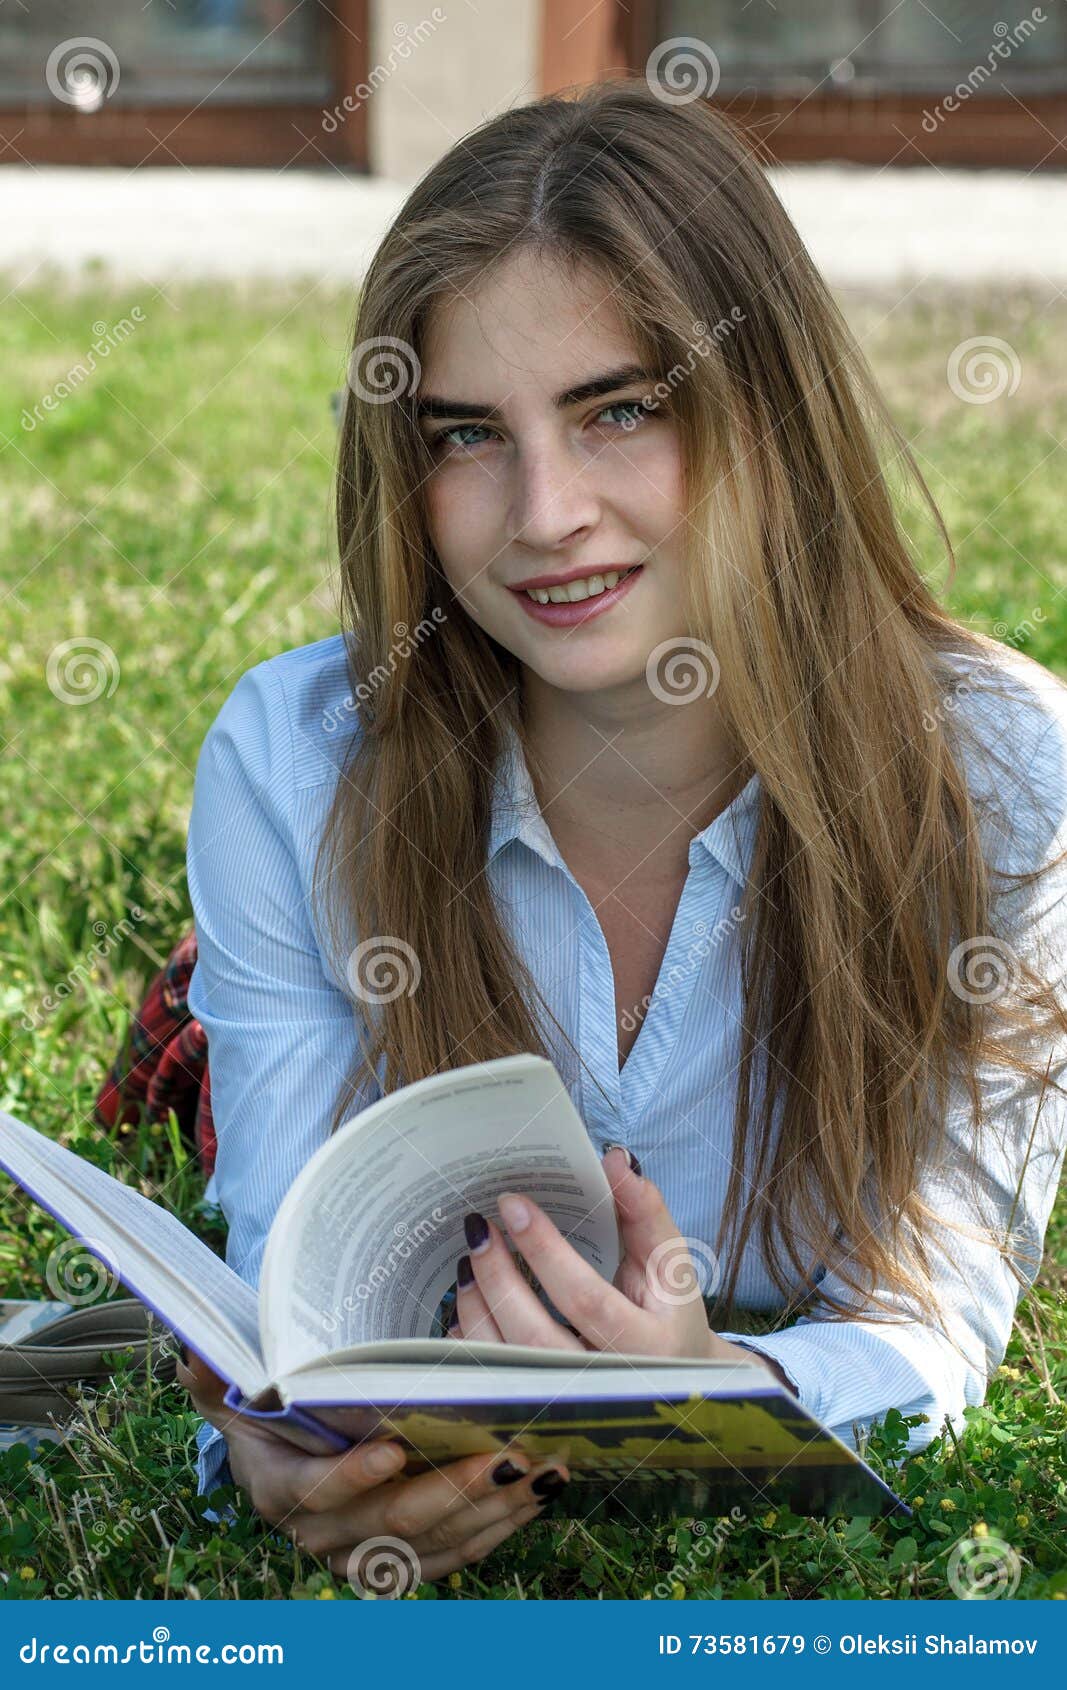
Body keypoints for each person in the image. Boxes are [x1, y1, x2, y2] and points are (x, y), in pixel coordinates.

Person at [174, 76, 1067, 1587]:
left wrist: (713, 1400)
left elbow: (933, 1316)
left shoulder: (1003, 775)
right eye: (467, 434)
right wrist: (271, 1457)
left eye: (622, 411)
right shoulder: (293, 765)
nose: (545, 511)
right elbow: (285, 1312)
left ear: (768, 417)